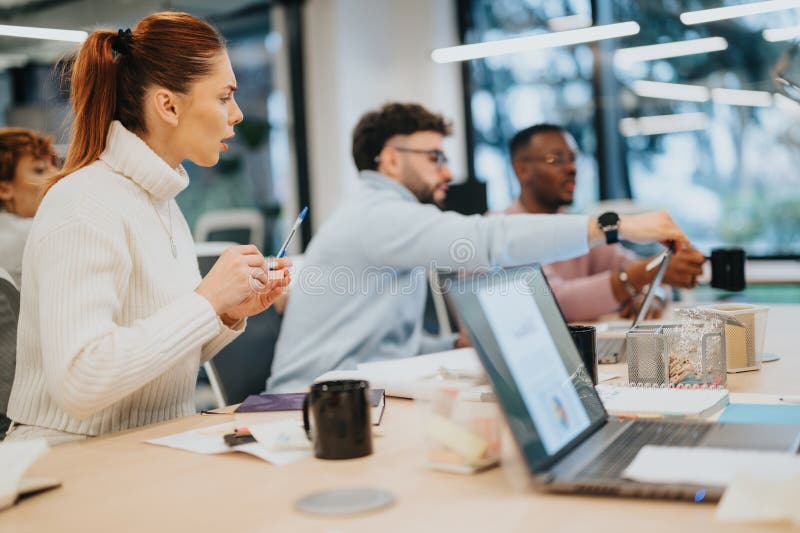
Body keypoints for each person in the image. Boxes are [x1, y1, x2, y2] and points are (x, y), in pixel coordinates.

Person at [5, 12, 290, 445]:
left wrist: (226, 311)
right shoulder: (85, 202)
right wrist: (206, 300)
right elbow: (83, 380)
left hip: (143, 446)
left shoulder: (162, 204)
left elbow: (159, 354)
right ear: (168, 105)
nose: (237, 113)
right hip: (69, 462)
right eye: (224, 96)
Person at [267, 102, 689, 392]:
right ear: (390, 160)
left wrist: (451, 347)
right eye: (434, 157)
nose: (448, 171)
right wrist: (619, 225)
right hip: (307, 403)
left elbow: (385, 347)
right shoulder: (377, 215)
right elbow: (491, 240)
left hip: (355, 390)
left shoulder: (385, 219)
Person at [503, 124, 705, 322]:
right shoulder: (502, 233)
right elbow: (555, 302)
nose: (572, 168)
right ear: (522, 170)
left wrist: (650, 296)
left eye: (574, 158)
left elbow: (635, 268)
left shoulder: (574, 226)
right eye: (556, 159)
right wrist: (648, 273)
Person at [0, 128, 60, 288]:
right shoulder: (35, 234)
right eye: (40, 170)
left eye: (54, 165)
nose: (57, 174)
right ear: (4, 189)